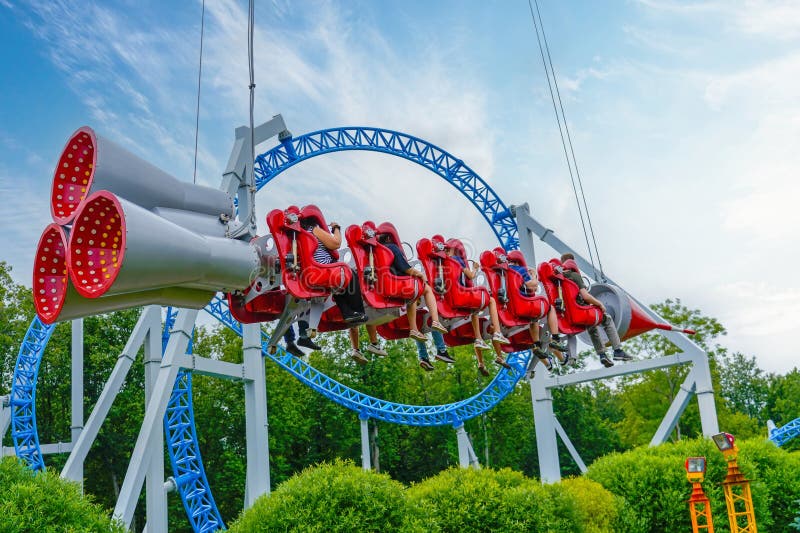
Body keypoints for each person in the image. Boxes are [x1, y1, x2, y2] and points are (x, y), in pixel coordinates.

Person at [301, 213, 384, 363]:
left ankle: (349, 314)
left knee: (339, 287)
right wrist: (336, 229)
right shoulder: (314, 229)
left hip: (312, 273)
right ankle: (357, 312)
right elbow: (336, 244)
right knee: (349, 273)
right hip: (322, 270)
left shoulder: (300, 235)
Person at [375, 228, 449, 347]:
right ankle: (435, 320)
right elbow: (406, 268)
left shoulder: (376, 250)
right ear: (389, 238)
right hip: (397, 284)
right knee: (426, 289)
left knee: (412, 296)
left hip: (383, 287)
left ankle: (414, 329)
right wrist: (421, 275)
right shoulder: (392, 247)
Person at [445, 239, 511, 368]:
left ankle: (483, 359)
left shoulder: (441, 263)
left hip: (451, 298)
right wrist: (475, 269)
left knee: (475, 312)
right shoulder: (457, 260)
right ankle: (496, 336)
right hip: (463, 296)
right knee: (488, 307)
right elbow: (470, 276)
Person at [559, 253, 631, 367]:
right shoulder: (575, 276)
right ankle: (617, 350)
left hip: (568, 317)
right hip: (581, 311)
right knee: (607, 319)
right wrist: (599, 303)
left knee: (591, 326)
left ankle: (602, 355)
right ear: (572, 262)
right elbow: (585, 296)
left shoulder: (558, 279)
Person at [506, 254, 569, 369]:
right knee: (550, 308)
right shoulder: (520, 270)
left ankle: (538, 346)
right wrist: (534, 274)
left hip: (510, 310)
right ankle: (556, 338)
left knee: (534, 319)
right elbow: (533, 287)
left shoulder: (504, 271)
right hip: (523, 306)